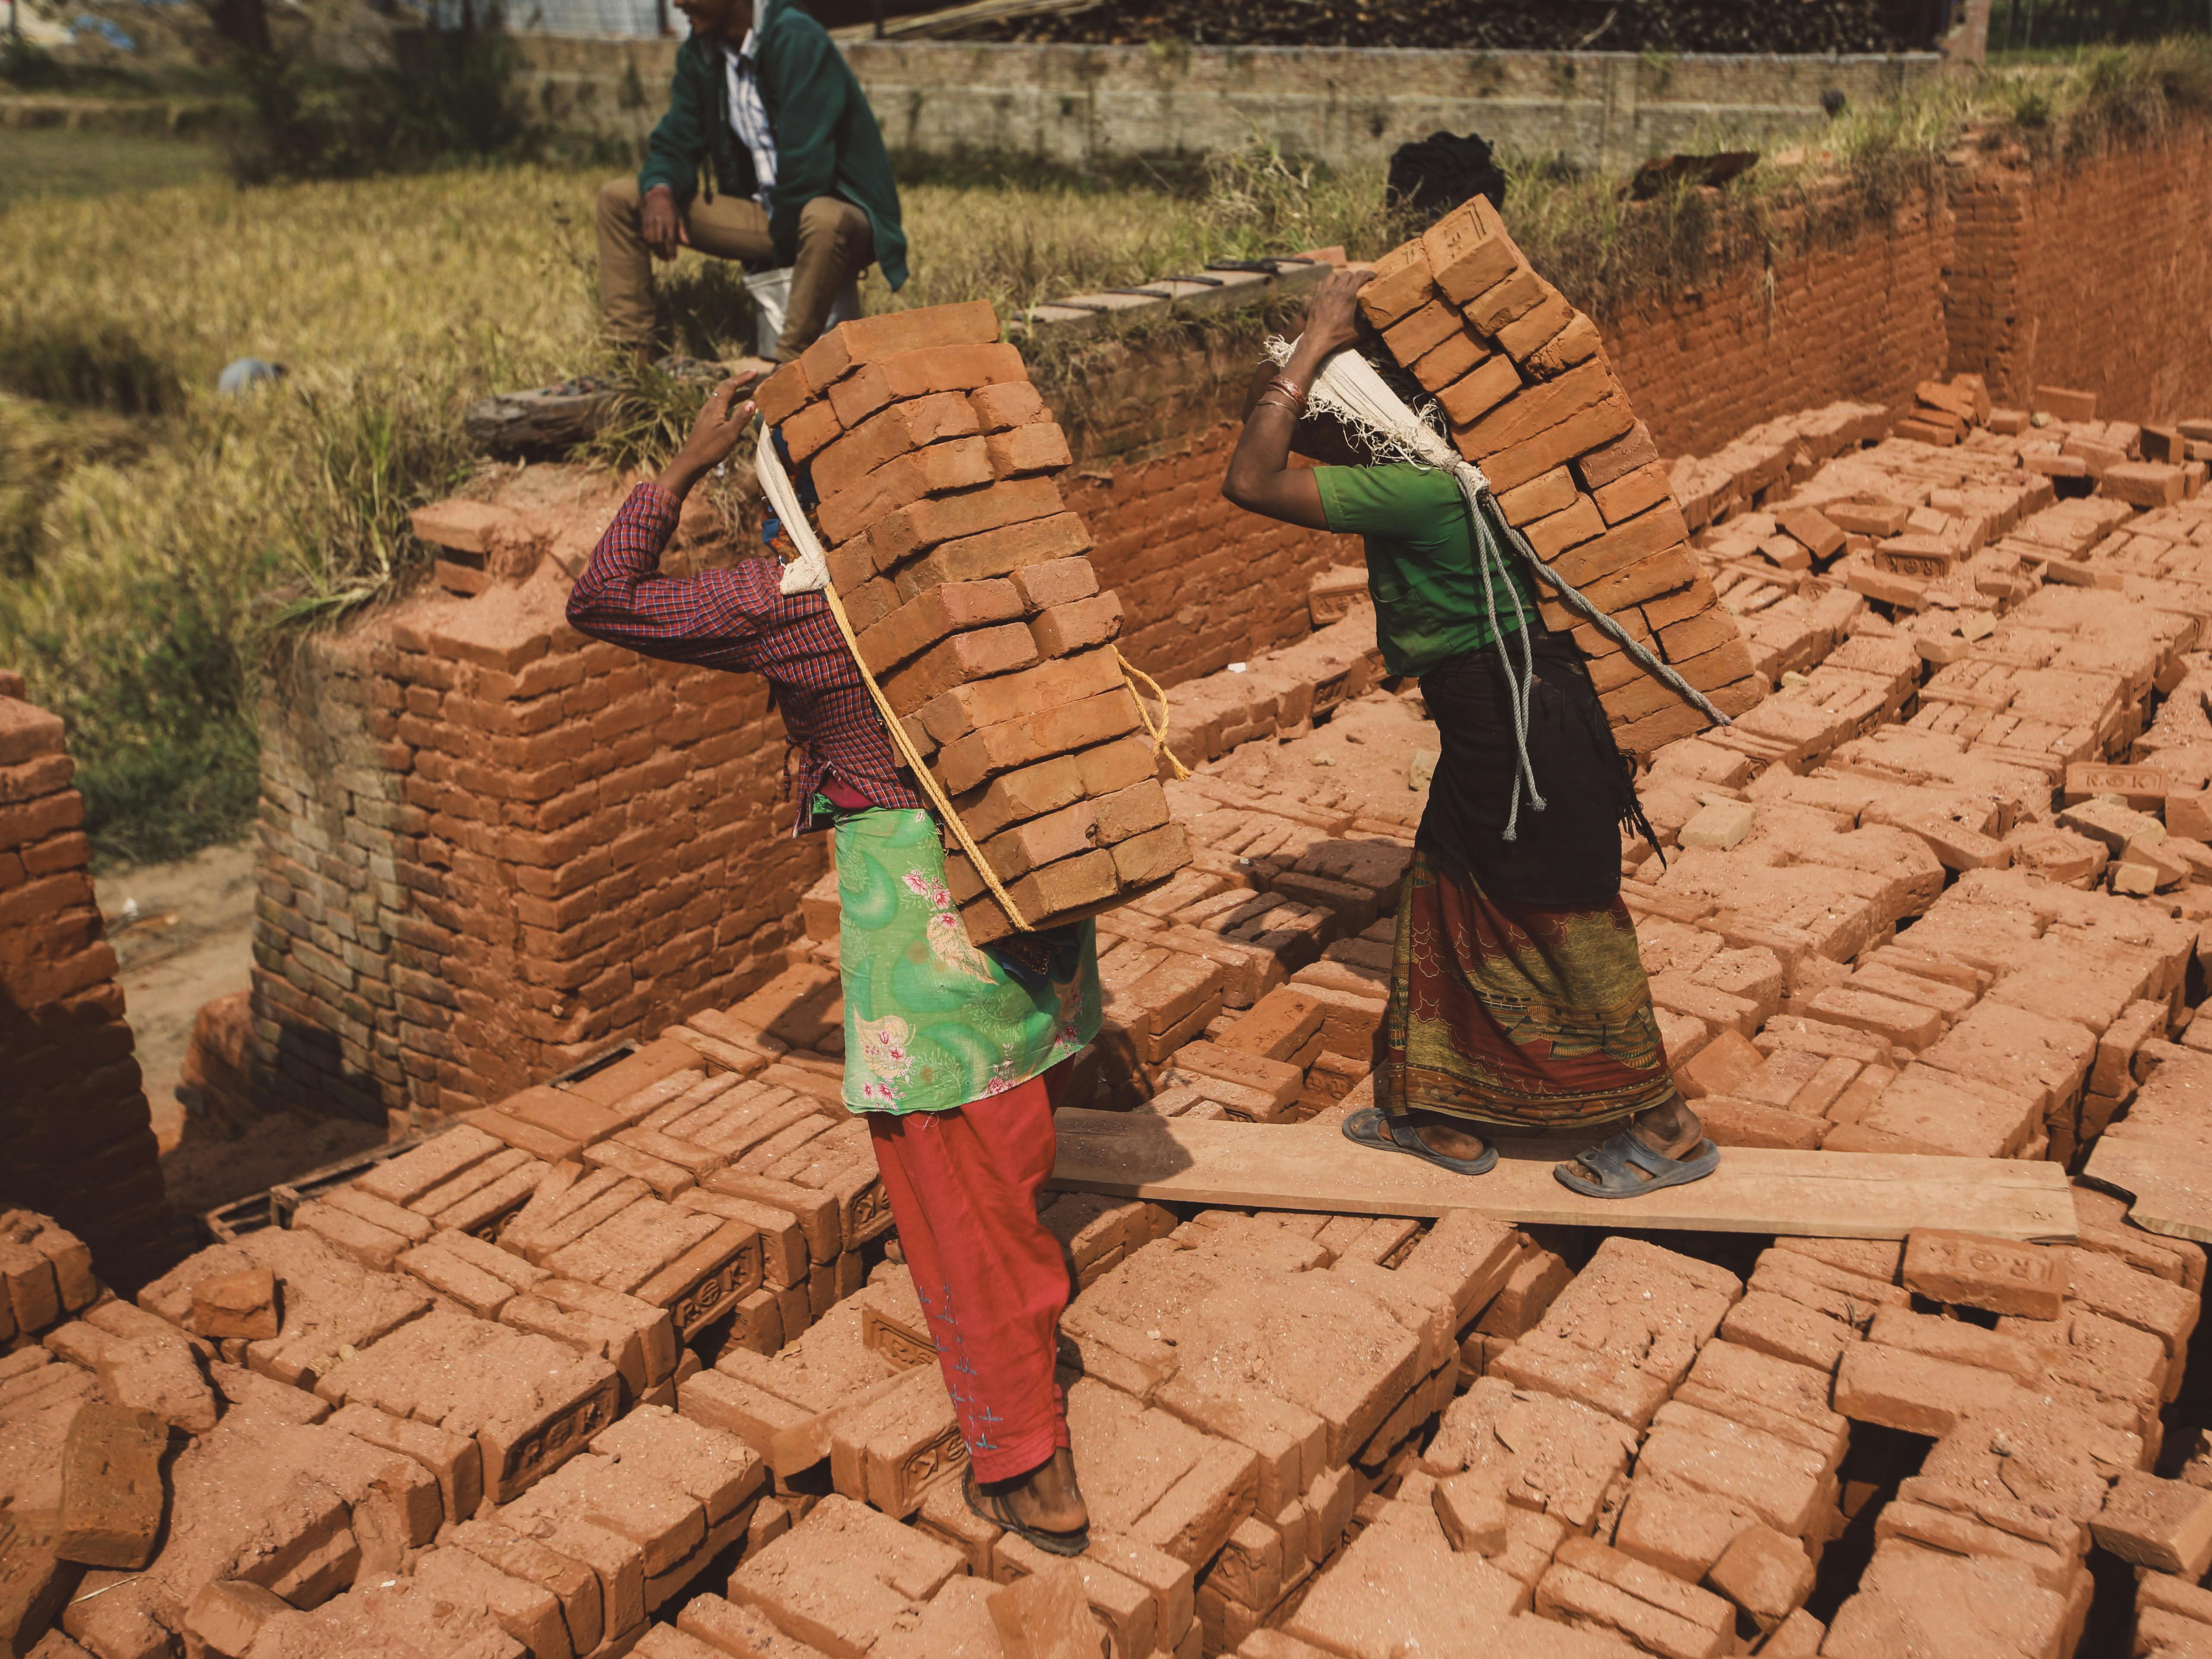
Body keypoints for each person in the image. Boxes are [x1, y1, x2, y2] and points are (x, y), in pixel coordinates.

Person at [564, 376, 1100, 1553]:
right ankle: (1027, 1351)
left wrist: (685, 463)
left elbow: (601, 599)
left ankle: (1027, 1463)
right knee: (1010, 1161)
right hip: (1030, 902)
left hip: (926, 928)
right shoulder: (990, 563)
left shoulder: (797, 605)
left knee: (953, 1195)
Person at [1219, 270, 1717, 1199]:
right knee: (1448, 891)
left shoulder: (1412, 493)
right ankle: (1445, 1115)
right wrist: (1309, 346)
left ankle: (1667, 1125)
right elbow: (1266, 430)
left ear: (1360, 424)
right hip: (1529, 713)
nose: (1312, 444)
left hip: (1514, 730)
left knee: (1553, 913)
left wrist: (1314, 344)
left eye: (1325, 425)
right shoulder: (1461, 467)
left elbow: (1249, 476)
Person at [595, 0, 908, 365]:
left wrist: (777, 259)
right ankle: (631, 365)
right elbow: (676, 139)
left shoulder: (796, 39)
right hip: (772, 218)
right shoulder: (702, 54)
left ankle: (788, 369)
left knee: (822, 217)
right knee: (621, 198)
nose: (677, 3)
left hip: (838, 218)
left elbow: (808, 171)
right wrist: (660, 190)